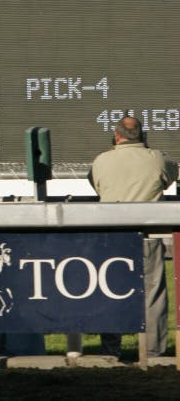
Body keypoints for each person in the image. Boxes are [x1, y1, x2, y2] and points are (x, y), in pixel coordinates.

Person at [88, 115, 178, 358]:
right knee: (152, 295)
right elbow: (171, 176)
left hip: (112, 239)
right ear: (142, 136)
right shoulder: (158, 159)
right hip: (148, 238)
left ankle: (110, 349)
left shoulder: (101, 161)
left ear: (116, 136)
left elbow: (96, 186)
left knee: (110, 293)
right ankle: (153, 352)